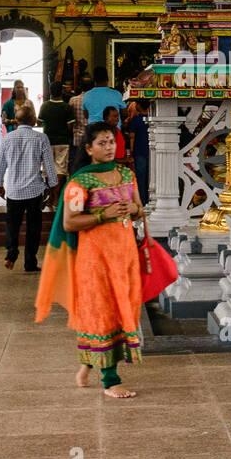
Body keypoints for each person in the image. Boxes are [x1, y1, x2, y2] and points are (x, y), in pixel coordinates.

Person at [36, 121, 144, 399]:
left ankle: (86, 364)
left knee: (121, 311)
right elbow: (70, 223)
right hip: (94, 259)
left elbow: (139, 209)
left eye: (112, 142)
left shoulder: (126, 173)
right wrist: (102, 216)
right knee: (100, 312)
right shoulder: (79, 182)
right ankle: (111, 380)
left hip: (125, 256)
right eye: (102, 143)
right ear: (89, 149)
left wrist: (132, 208)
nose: (109, 148)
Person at [0, 103, 58, 273]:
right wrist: (53, 187)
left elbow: (0, 164)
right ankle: (30, 263)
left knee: (12, 225)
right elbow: (50, 166)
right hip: (34, 191)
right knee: (33, 228)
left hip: (14, 191)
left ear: (17, 120)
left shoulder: (8, 138)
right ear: (32, 120)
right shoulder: (41, 138)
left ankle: (11, 253)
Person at [38, 81, 74, 189]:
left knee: (49, 169)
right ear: (61, 92)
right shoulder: (67, 107)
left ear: (50, 92)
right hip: (63, 142)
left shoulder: (45, 106)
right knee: (61, 170)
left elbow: (39, 122)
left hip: (48, 141)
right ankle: (57, 196)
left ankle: (51, 196)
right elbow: (70, 127)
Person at [126, 98, 151, 203]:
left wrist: (131, 151)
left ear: (139, 106)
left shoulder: (135, 120)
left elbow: (132, 136)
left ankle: (142, 200)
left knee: (140, 177)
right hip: (151, 151)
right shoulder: (152, 119)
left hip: (139, 150)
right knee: (151, 176)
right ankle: (150, 199)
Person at [68, 78, 92, 173]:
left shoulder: (73, 100)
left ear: (80, 87)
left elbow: (70, 119)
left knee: (77, 165)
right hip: (91, 138)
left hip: (77, 138)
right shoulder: (95, 101)